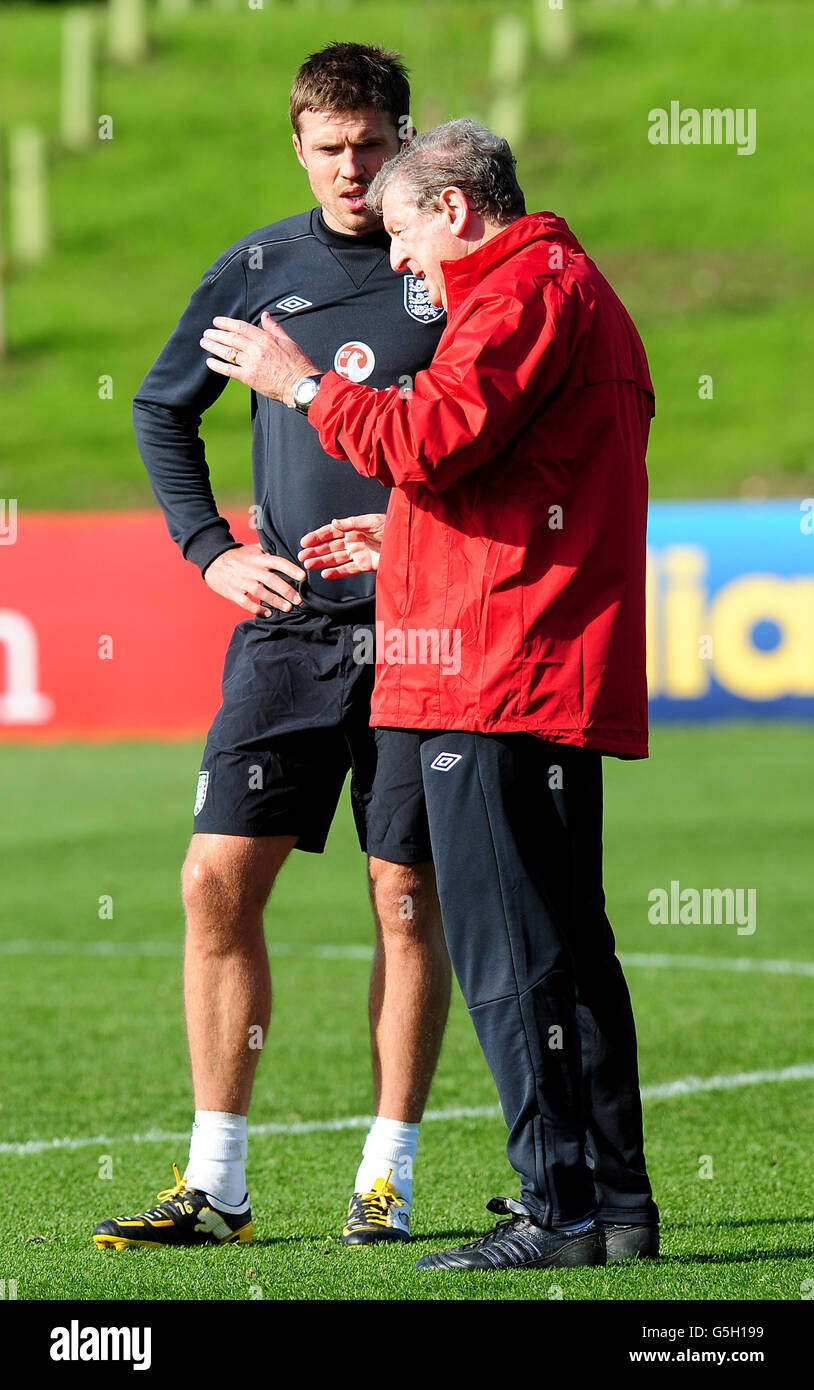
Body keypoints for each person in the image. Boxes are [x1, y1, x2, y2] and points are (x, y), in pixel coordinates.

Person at [199, 117, 660, 1272]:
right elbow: (510, 468)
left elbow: (436, 431)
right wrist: (406, 530)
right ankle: (611, 1207)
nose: (398, 263)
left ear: (453, 212)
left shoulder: (514, 290)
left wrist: (301, 385)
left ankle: (555, 1207)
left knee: (513, 958)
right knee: (565, 948)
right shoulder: (566, 283)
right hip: (528, 650)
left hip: (492, 666)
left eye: (405, 235)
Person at [92, 44, 453, 1254]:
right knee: (212, 881)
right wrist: (206, 549)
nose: (354, 169)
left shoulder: (448, 270)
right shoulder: (257, 268)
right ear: (296, 146)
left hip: (422, 631)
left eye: (373, 143)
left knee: (404, 900)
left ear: (407, 136)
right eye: (330, 147)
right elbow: (160, 405)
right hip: (288, 629)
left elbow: (491, 434)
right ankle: (217, 1182)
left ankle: (385, 1176)